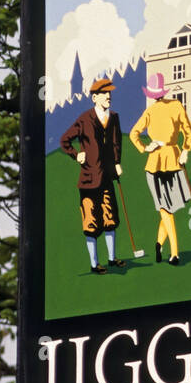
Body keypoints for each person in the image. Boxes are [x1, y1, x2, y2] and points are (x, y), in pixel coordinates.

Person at [59, 77, 125, 274]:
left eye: (109, 93)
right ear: (94, 98)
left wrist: (117, 163)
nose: (108, 97)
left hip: (107, 177)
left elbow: (117, 143)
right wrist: (76, 154)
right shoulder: (84, 119)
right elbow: (65, 140)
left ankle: (112, 258)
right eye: (104, 94)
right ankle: (94, 263)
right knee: (90, 221)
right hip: (88, 180)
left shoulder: (114, 117)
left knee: (110, 217)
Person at [129, 73, 191, 265]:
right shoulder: (153, 111)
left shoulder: (174, 106)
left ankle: (158, 244)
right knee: (165, 210)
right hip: (155, 164)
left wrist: (185, 150)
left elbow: (188, 131)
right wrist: (146, 148)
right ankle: (174, 253)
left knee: (169, 209)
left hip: (172, 160)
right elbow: (134, 133)